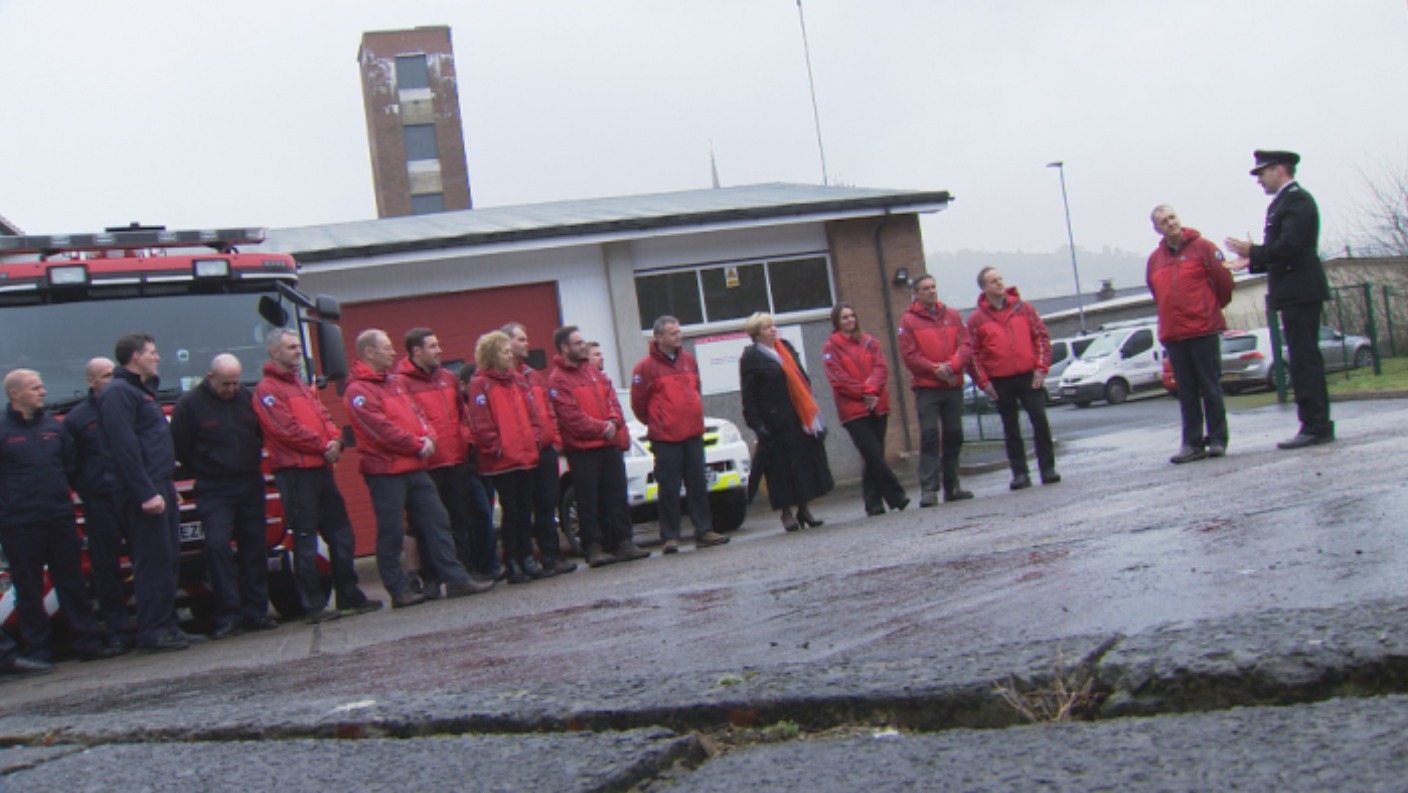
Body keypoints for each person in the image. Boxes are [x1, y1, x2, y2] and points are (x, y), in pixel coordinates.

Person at [343, 329, 490, 608]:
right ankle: (399, 590)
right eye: (386, 347)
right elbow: (379, 429)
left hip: (414, 467)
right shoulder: (357, 391)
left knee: (438, 520)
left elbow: (418, 414)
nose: (392, 352)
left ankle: (456, 578)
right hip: (385, 471)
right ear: (369, 353)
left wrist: (428, 436)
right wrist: (416, 444)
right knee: (392, 532)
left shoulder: (395, 384)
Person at [254, 329, 381, 623]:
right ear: (275, 353)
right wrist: (322, 446)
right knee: (305, 538)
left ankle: (349, 596)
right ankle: (312, 605)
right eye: (291, 347)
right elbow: (283, 429)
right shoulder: (267, 390)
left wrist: (335, 440)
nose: (298, 351)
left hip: (321, 470)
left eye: (299, 346)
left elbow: (323, 416)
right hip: (296, 473)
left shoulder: (299, 385)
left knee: (341, 534)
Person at [0, 369, 119, 663]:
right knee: (28, 588)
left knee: (72, 582)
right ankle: (37, 649)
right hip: (19, 522)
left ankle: (87, 642)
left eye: (42, 386)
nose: (42, 392)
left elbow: (70, 466)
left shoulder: (55, 428)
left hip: (59, 517)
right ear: (15, 394)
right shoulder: (3, 431)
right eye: (34, 388)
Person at [99, 333, 201, 652]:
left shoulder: (142, 391)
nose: (157, 358)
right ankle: (152, 630)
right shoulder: (119, 393)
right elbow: (124, 447)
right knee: (151, 561)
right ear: (134, 357)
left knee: (168, 558)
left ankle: (168, 625)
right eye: (152, 353)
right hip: (143, 490)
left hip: (161, 484)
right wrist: (145, 492)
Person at [1225, 150, 1335, 449]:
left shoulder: (1297, 201)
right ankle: (1313, 422)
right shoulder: (1282, 204)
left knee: (1304, 359)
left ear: (1279, 170)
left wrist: (1254, 252)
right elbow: (1281, 250)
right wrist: (1251, 261)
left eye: (1262, 173)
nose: (1259, 180)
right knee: (1301, 358)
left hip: (1301, 290)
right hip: (1292, 291)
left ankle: (1316, 424)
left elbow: (1290, 246)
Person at [171, 354, 275, 639]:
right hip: (214, 487)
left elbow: (259, 433)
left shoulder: (246, 399)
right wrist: (206, 465)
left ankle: (256, 611)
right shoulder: (189, 405)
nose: (231, 389)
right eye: (226, 384)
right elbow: (180, 447)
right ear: (210, 378)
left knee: (254, 547)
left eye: (235, 383)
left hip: (248, 483)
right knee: (217, 546)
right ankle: (228, 614)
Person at [395, 328, 502, 594]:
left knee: (460, 519)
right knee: (427, 524)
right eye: (432, 346)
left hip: (455, 460)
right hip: (428, 464)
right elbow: (407, 418)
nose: (439, 350)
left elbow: (462, 414)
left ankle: (462, 574)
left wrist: (465, 439)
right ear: (416, 351)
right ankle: (431, 578)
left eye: (438, 344)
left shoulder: (448, 378)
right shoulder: (402, 382)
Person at [548, 325, 650, 567]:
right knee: (588, 500)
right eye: (577, 343)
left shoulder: (594, 374)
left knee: (616, 495)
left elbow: (613, 400)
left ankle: (624, 542)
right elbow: (570, 416)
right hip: (583, 450)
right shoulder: (557, 380)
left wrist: (613, 421)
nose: (583, 346)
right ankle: (593, 547)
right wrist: (601, 428)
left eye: (583, 342)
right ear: (564, 348)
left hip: (608, 446)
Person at [631, 315, 731, 552]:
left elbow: (697, 389)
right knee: (669, 486)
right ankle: (670, 536)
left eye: (679, 331)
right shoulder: (644, 368)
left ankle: (704, 530)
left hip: (693, 433)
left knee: (697, 483)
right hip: (665, 438)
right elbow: (639, 405)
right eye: (673, 333)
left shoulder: (688, 360)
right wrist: (659, 421)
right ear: (659, 337)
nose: (679, 336)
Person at [1147, 205, 1234, 463]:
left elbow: (1224, 283)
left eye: (1172, 218)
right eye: (1163, 221)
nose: (1170, 223)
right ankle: (1191, 443)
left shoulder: (1204, 248)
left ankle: (1217, 439)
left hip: (1203, 330)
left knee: (1210, 387)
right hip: (1174, 334)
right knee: (1186, 392)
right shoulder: (1154, 260)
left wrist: (1209, 309)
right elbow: (1156, 292)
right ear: (1157, 228)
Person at [61, 356, 133, 652]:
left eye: (114, 375)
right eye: (104, 376)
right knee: (106, 568)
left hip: (131, 496)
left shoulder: (128, 407)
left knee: (148, 561)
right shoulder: (76, 419)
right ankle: (118, 630)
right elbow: (70, 464)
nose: (111, 380)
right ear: (90, 381)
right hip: (99, 500)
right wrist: (90, 489)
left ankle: (158, 622)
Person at [739, 312, 834, 531]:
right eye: (766, 327)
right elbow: (749, 395)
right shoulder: (752, 357)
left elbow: (801, 377)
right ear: (756, 334)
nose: (773, 330)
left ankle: (804, 508)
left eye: (773, 326)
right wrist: (757, 424)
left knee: (803, 464)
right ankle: (786, 513)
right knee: (781, 469)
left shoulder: (786, 349)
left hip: (797, 416)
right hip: (774, 421)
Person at [967, 268, 1060, 490]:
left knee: (1039, 419)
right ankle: (1020, 473)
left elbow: (1041, 338)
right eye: (993, 281)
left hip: (1029, 375)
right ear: (984, 288)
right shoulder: (976, 319)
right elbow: (973, 355)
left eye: (1000, 279)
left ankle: (1048, 469)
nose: (999, 284)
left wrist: (1041, 368)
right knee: (1011, 428)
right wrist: (985, 383)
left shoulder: (1024, 309)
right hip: (1000, 380)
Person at [467, 331, 547, 584]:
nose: (509, 355)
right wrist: (496, 447)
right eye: (504, 351)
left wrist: (534, 438)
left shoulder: (518, 381)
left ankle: (527, 557)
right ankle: (512, 561)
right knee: (511, 512)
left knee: (525, 510)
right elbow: (480, 421)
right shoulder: (481, 384)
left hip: (524, 455)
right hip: (503, 460)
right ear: (492, 355)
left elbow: (532, 414)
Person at [822, 303, 910, 517]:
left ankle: (873, 503)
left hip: (877, 404)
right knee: (872, 453)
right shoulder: (831, 348)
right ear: (837, 322)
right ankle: (895, 495)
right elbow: (838, 378)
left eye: (852, 316)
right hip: (853, 410)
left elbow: (881, 368)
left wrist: (871, 390)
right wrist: (863, 393)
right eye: (845, 318)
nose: (850, 320)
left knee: (874, 455)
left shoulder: (870, 342)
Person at [504, 322, 577, 572]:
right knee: (523, 509)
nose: (527, 344)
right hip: (523, 454)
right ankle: (525, 558)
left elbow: (548, 411)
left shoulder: (534, 376)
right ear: (507, 343)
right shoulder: (502, 378)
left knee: (548, 505)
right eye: (521, 340)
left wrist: (555, 441)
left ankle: (551, 555)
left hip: (546, 451)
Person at [896, 273, 973, 506]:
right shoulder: (908, 322)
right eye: (925, 288)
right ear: (916, 294)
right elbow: (910, 356)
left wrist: (952, 366)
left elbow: (966, 345)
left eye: (933, 287)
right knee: (930, 437)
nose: (931, 291)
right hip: (927, 389)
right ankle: (929, 489)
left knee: (954, 435)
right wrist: (934, 370)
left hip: (952, 385)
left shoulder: (952, 316)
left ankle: (953, 485)